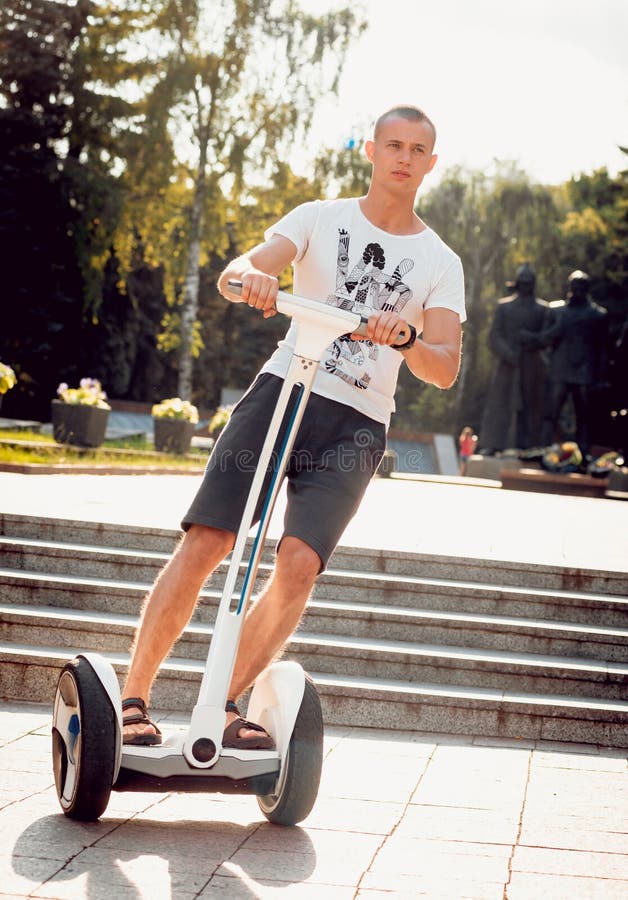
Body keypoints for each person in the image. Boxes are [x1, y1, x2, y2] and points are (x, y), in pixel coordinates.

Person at [121, 105, 466, 746]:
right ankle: (134, 701)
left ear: (432, 163)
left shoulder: (441, 261)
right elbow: (237, 272)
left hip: (357, 424)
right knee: (208, 540)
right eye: (393, 144)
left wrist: (409, 337)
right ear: (370, 149)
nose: (404, 158)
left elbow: (444, 368)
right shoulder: (318, 218)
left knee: (300, 565)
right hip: (283, 390)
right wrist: (254, 276)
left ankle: (222, 704)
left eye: (418, 149)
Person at [478, 263, 549, 454]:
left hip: (531, 366)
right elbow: (494, 336)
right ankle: (492, 444)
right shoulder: (504, 307)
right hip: (507, 365)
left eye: (529, 283)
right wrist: (508, 353)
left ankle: (528, 445)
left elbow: (546, 338)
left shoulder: (542, 309)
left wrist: (532, 339)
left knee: (530, 405)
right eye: (523, 282)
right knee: (499, 404)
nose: (525, 286)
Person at [539, 270, 608, 458]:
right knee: (550, 413)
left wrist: (601, 377)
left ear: (586, 289)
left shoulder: (597, 315)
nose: (576, 290)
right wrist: (548, 365)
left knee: (584, 416)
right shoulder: (556, 310)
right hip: (559, 369)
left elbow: (602, 348)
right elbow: (544, 342)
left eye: (581, 286)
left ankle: (583, 453)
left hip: (584, 371)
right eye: (574, 286)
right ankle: (544, 449)